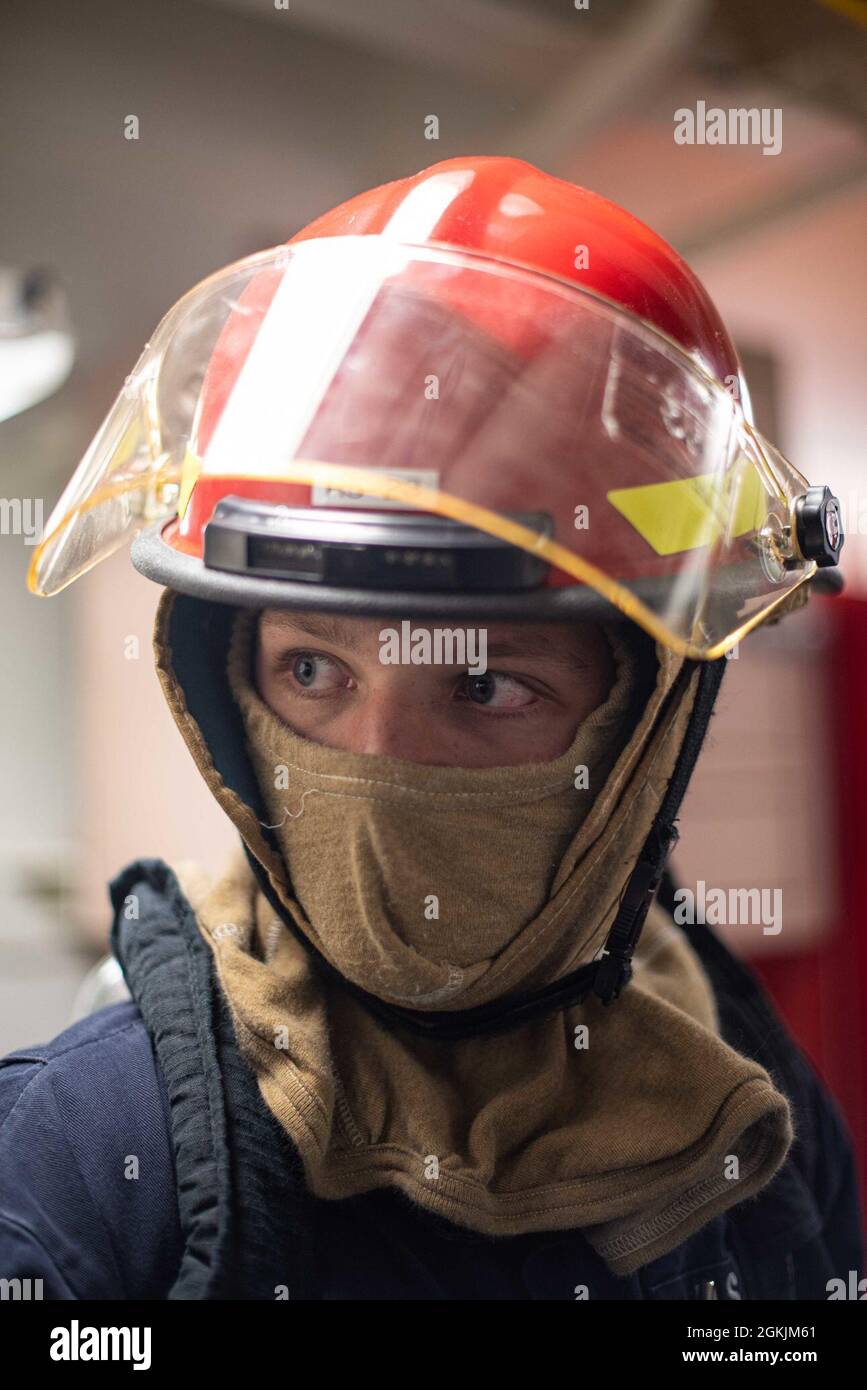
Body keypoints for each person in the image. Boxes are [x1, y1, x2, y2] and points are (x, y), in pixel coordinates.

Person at [2, 156, 860, 1300]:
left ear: (648, 725)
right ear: (224, 683)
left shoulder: (762, 1119)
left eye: (488, 686)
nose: (374, 766)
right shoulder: (84, 1165)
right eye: (312, 668)